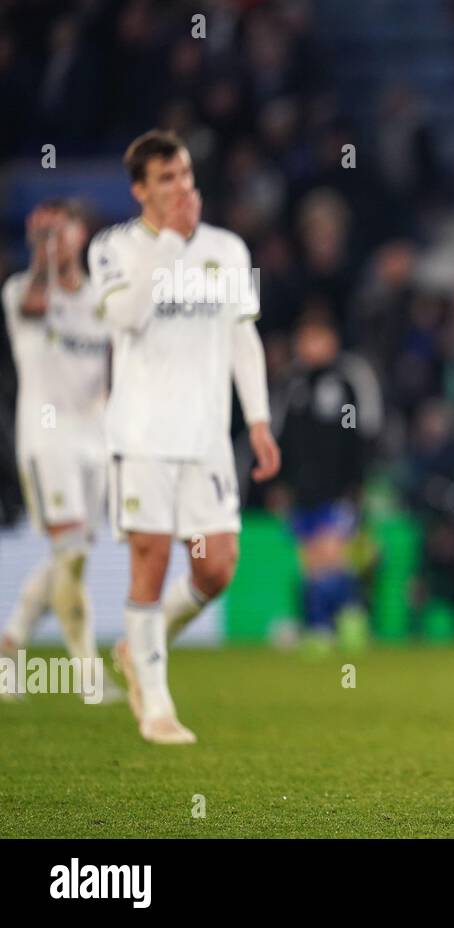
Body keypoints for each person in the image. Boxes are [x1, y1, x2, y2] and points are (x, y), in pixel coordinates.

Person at [88, 129, 280, 743]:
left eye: (187, 175)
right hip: (142, 433)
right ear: (140, 190)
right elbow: (126, 317)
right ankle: (156, 704)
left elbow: (242, 338)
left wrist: (257, 419)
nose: (181, 188)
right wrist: (171, 240)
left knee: (216, 566)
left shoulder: (226, 248)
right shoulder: (114, 249)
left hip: (206, 438)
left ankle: (137, 650)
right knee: (150, 557)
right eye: (166, 179)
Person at [1, 200, 121, 702]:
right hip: (46, 439)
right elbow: (33, 305)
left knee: (68, 556)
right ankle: (88, 676)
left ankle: (9, 644)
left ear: (81, 236)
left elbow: (116, 370)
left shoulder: (102, 301)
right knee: (70, 554)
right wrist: (43, 259)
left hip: (94, 441)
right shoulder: (23, 292)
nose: (55, 240)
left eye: (62, 231)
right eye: (45, 233)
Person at [273, 309, 382, 649]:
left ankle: (351, 621)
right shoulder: (293, 384)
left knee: (332, 556)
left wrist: (358, 484)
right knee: (312, 563)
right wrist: (280, 485)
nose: (309, 346)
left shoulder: (351, 377)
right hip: (303, 492)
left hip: (340, 489)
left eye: (316, 339)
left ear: (331, 340)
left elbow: (367, 430)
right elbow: (282, 438)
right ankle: (323, 629)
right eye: (304, 340)